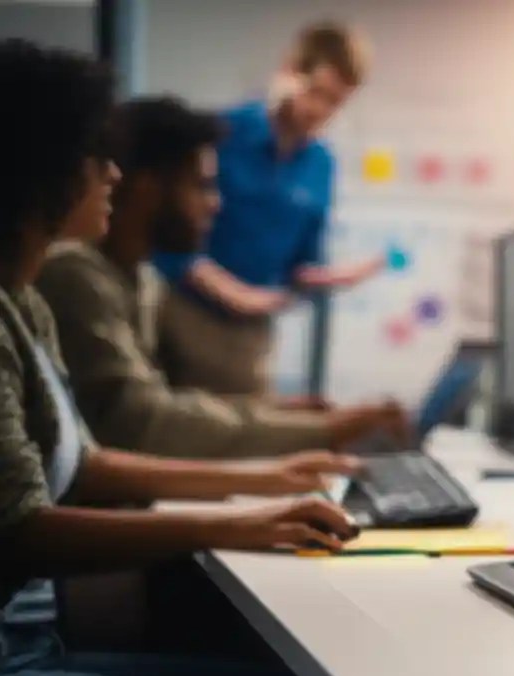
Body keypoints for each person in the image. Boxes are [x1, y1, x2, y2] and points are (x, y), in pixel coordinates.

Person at [0, 39, 355, 676]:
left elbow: (90, 467)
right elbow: (19, 531)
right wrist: (241, 523)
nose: (112, 173)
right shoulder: (44, 291)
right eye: (94, 154)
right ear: (39, 167)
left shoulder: (28, 303)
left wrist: (269, 481)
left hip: (36, 643)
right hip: (10, 661)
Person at [38, 97, 411, 458]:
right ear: (147, 188)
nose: (216, 203)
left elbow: (171, 403)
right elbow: (144, 422)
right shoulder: (76, 274)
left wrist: (279, 413)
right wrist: (323, 430)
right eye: (201, 186)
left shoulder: (142, 279)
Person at [153, 21, 383, 396]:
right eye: (316, 92)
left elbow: (302, 263)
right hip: (182, 315)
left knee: (247, 439)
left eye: (336, 101)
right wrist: (229, 290)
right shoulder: (223, 132)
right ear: (290, 71)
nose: (320, 110)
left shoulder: (322, 164)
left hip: (252, 335)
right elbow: (164, 235)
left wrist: (329, 278)